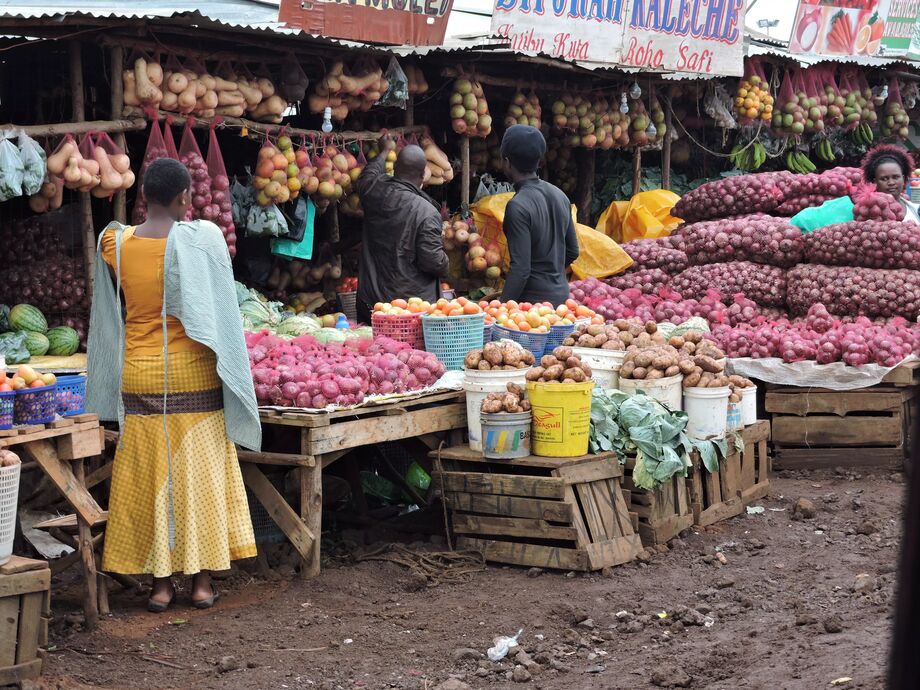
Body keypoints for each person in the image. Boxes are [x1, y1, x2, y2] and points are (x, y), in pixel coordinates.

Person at [86, 158, 260, 612]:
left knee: (150, 475)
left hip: (139, 371)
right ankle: (201, 583)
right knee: (196, 474)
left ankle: (160, 586)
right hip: (193, 371)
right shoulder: (202, 239)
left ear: (143, 196)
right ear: (185, 198)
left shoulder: (114, 244)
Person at [355, 138, 449, 324]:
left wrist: (384, 151)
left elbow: (368, 174)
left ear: (395, 168)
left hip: (373, 304)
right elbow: (432, 262)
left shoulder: (373, 191)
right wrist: (446, 261)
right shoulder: (427, 212)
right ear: (423, 175)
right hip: (411, 308)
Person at [499, 124, 579, 305]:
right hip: (562, 299)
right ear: (539, 161)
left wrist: (501, 306)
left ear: (507, 162)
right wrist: (552, 274)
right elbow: (573, 251)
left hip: (532, 306)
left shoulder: (517, 206)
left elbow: (521, 269)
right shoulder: (560, 195)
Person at [790, 144, 919, 231]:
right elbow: (808, 219)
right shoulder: (863, 209)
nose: (891, 182)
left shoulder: (915, 210)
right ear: (874, 181)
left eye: (896, 177)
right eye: (884, 179)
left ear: (904, 178)